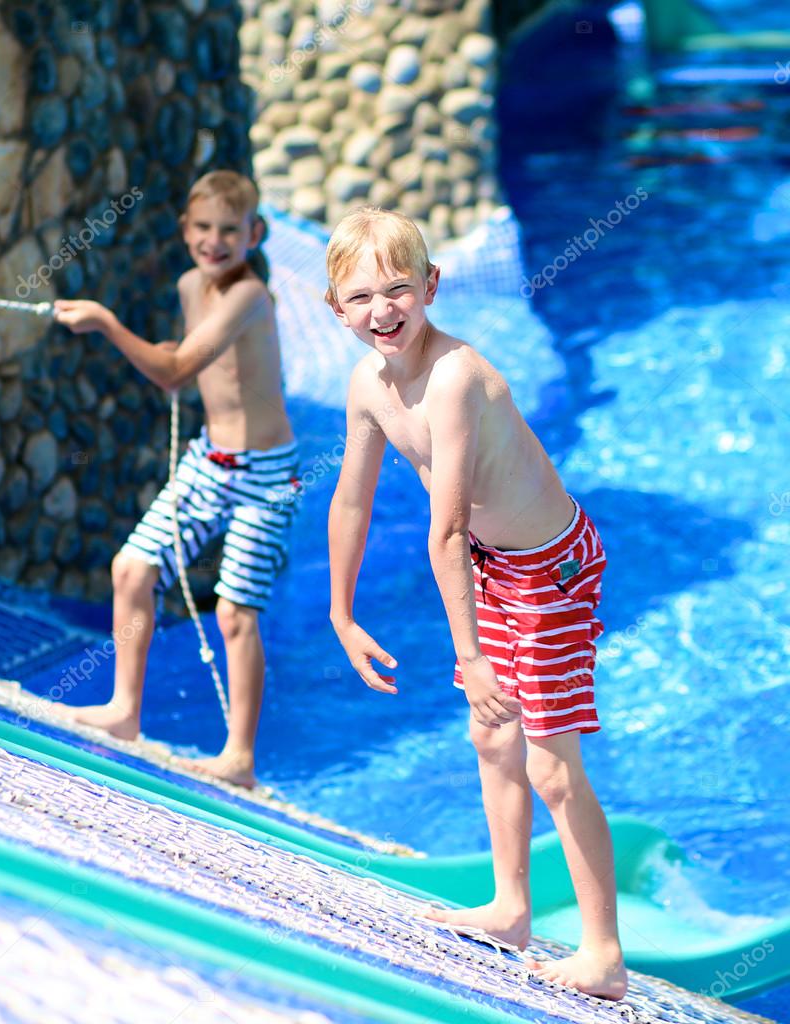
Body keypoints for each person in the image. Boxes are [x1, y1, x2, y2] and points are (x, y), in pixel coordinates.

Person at [324, 206, 627, 1000]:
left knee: (551, 767)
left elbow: (448, 530)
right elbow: (352, 500)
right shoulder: (368, 384)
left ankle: (603, 954)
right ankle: (511, 906)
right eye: (360, 298)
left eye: (397, 290)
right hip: (499, 566)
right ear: (335, 310)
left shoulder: (455, 377)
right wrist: (340, 612)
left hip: (550, 568)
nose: (381, 311)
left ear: (431, 285)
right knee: (493, 740)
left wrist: (472, 656)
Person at [52, 170, 299, 789]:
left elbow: (173, 373)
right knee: (132, 570)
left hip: (264, 478)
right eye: (203, 229)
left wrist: (109, 324)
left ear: (255, 234)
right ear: (185, 231)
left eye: (229, 231)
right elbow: (195, 366)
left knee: (235, 611)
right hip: (208, 463)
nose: (215, 242)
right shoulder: (193, 286)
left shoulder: (250, 296)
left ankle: (239, 758)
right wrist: (174, 350)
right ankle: (124, 711)